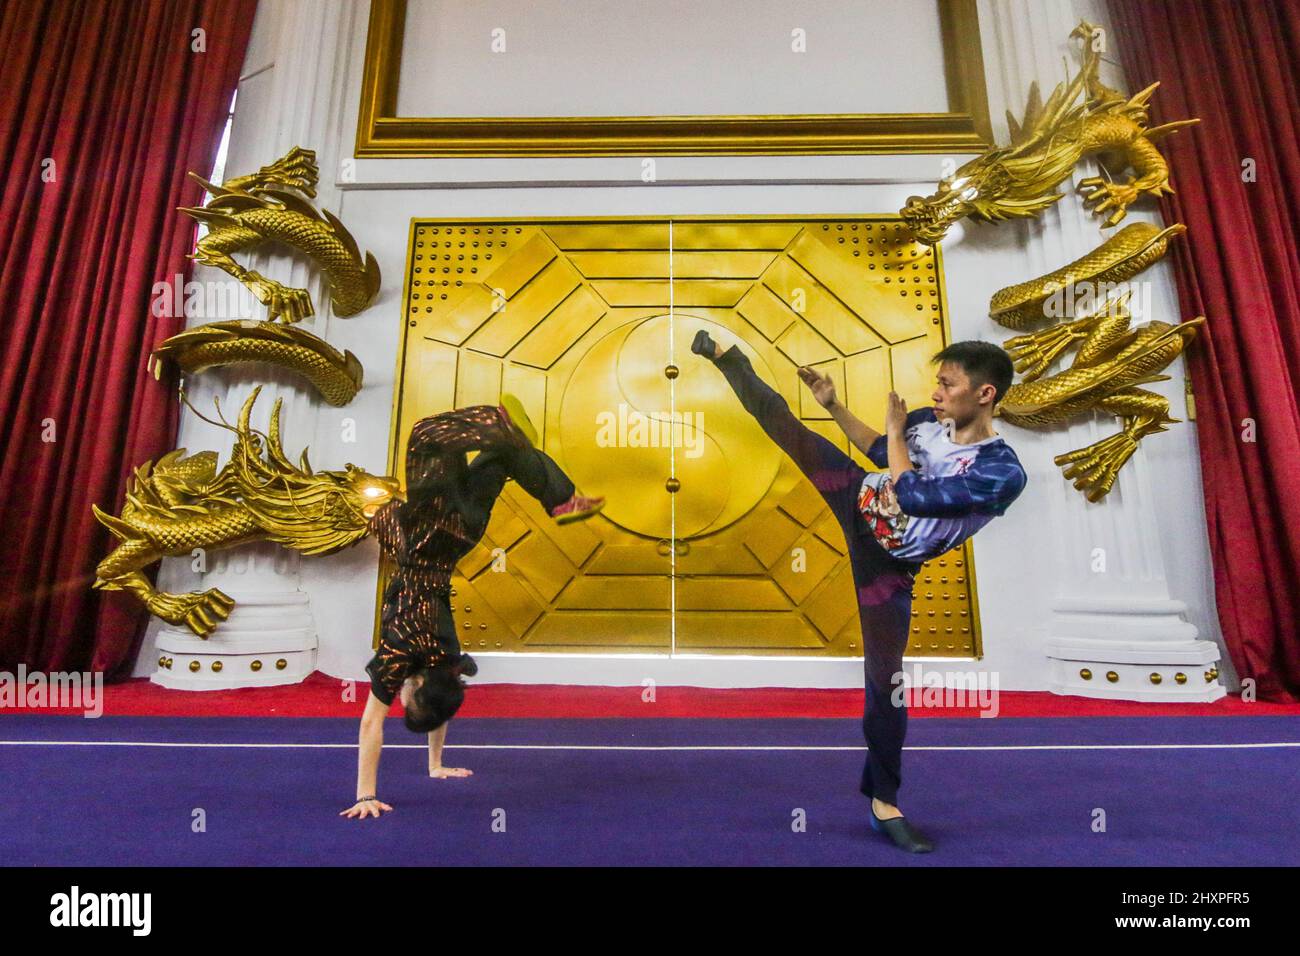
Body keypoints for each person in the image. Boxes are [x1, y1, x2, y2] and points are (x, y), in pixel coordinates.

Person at [692, 331, 1027, 853]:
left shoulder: (1001, 472)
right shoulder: (924, 423)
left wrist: (897, 431)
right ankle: (727, 356)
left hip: (888, 564)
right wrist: (834, 406)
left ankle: (883, 801)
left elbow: (913, 495)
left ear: (985, 394)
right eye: (936, 383)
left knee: (885, 681)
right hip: (856, 496)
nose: (935, 394)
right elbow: (877, 449)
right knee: (786, 425)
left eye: (947, 385)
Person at [341, 397, 605, 820]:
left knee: (503, 456)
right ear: (416, 686)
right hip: (432, 523)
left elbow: (443, 701)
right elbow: (372, 723)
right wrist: (364, 795)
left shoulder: (447, 657)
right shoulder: (400, 652)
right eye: (409, 699)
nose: (402, 698)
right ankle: (503, 434)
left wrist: (435, 764)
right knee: (427, 435)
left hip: (464, 532)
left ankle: (559, 495)